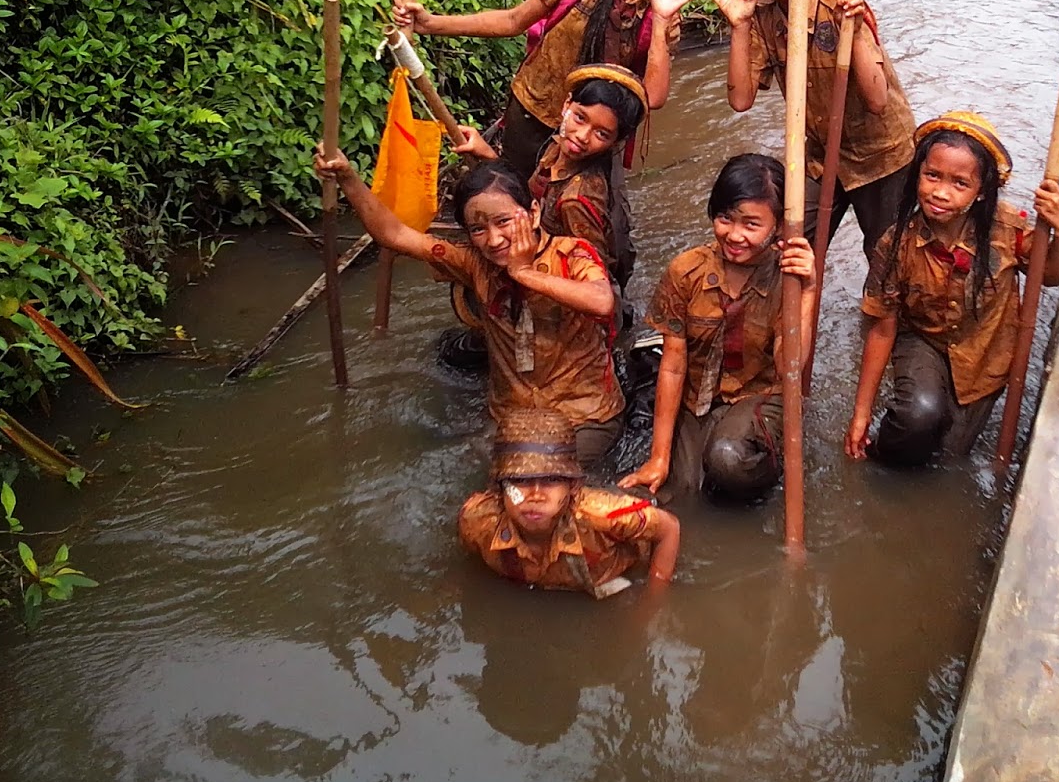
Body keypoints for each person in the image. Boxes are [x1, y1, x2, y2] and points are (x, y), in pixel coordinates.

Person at [314, 147, 626, 468]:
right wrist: (348, 178)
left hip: (585, 413)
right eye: (478, 229)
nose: (493, 240)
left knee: (539, 483)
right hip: (513, 415)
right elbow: (394, 234)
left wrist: (525, 274)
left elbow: (601, 301)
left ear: (533, 212)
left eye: (503, 221)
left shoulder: (571, 253)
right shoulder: (476, 263)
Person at [393, 0, 708, 180]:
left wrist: (663, 17)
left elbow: (653, 96)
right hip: (533, 110)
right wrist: (430, 23)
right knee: (511, 188)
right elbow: (514, 20)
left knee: (574, 211)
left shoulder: (666, 12)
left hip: (594, 136)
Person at [843, 111, 1059, 466]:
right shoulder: (895, 245)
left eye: (959, 183)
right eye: (932, 175)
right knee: (916, 420)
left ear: (981, 193)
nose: (940, 192)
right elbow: (882, 327)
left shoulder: (1007, 230)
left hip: (986, 353)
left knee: (948, 458)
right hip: (924, 339)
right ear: (917, 176)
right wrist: (861, 414)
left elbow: (1051, 277)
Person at [708, 0, 917, 259]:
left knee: (887, 256)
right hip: (821, 157)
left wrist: (852, 29)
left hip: (881, 155)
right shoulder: (762, 18)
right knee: (786, 245)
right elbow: (740, 100)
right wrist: (739, 25)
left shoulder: (842, 5)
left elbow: (878, 99)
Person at [619, 154, 816, 503]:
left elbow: (789, 370)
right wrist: (659, 456)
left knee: (727, 460)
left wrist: (809, 291)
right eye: (725, 218)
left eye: (751, 224)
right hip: (699, 397)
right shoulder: (686, 271)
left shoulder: (788, 278)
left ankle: (764, 465)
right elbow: (674, 364)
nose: (734, 235)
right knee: (677, 494)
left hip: (758, 393)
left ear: (779, 226)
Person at [454, 64, 647, 288]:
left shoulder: (576, 201)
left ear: (616, 142)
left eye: (601, 134)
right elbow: (528, 191)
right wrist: (487, 155)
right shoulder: (558, 149)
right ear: (566, 105)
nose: (582, 136)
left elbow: (594, 272)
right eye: (580, 118)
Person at [458, 407, 680, 596]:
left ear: (573, 486)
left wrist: (652, 603)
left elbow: (670, 528)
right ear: (499, 488)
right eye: (520, 480)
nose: (536, 495)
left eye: (552, 480)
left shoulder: (608, 516)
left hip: (614, 567)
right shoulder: (477, 522)